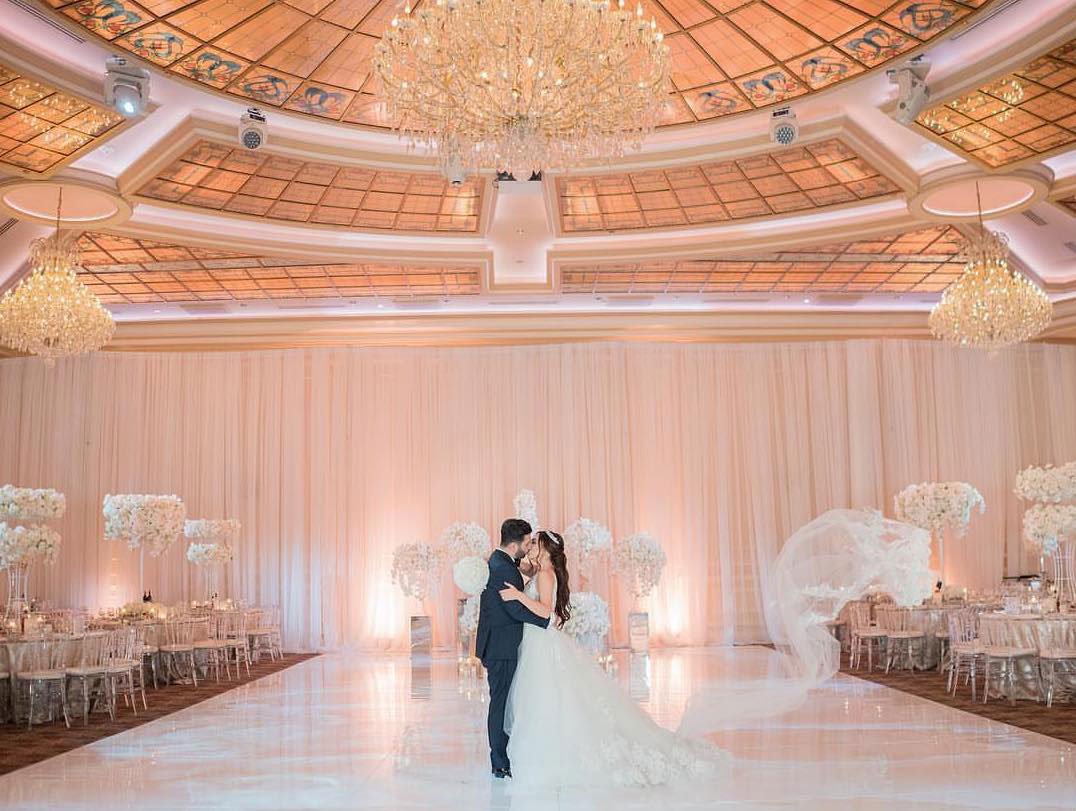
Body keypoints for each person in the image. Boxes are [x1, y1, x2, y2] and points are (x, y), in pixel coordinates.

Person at [497, 530, 724, 789]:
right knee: (545, 699)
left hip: (543, 644)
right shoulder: (542, 571)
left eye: (535, 542)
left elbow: (547, 614)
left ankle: (555, 758)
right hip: (537, 643)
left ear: (546, 548)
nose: (531, 546)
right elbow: (525, 569)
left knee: (551, 699)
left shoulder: (547, 575)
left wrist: (518, 596)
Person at [475, 518, 549, 779]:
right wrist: (546, 620)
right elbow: (514, 608)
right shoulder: (503, 569)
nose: (529, 548)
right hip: (501, 647)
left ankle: (503, 755)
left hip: (498, 643)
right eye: (527, 543)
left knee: (504, 702)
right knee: (500, 703)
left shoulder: (501, 561)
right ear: (515, 543)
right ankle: (499, 761)